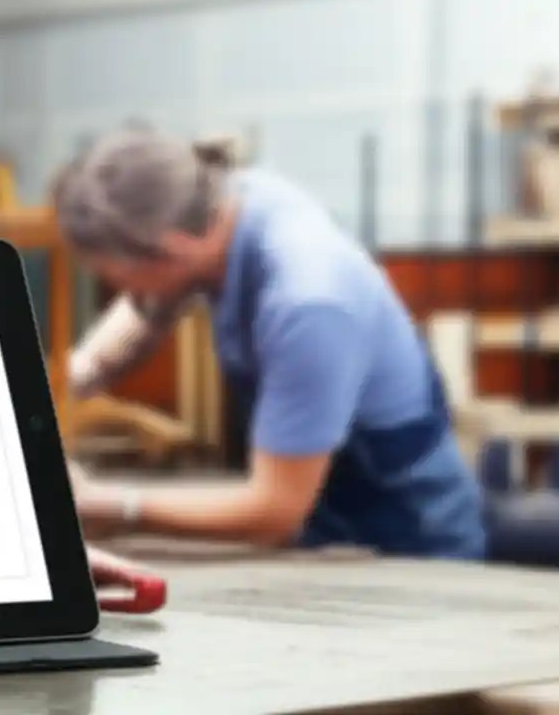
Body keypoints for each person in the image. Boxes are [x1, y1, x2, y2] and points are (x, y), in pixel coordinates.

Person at [55, 128, 486, 559]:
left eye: (114, 276)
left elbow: (275, 510)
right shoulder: (224, 201)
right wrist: (68, 377)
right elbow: (152, 301)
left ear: (174, 248)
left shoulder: (307, 303)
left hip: (410, 541)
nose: (117, 288)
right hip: (327, 524)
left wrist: (111, 506)